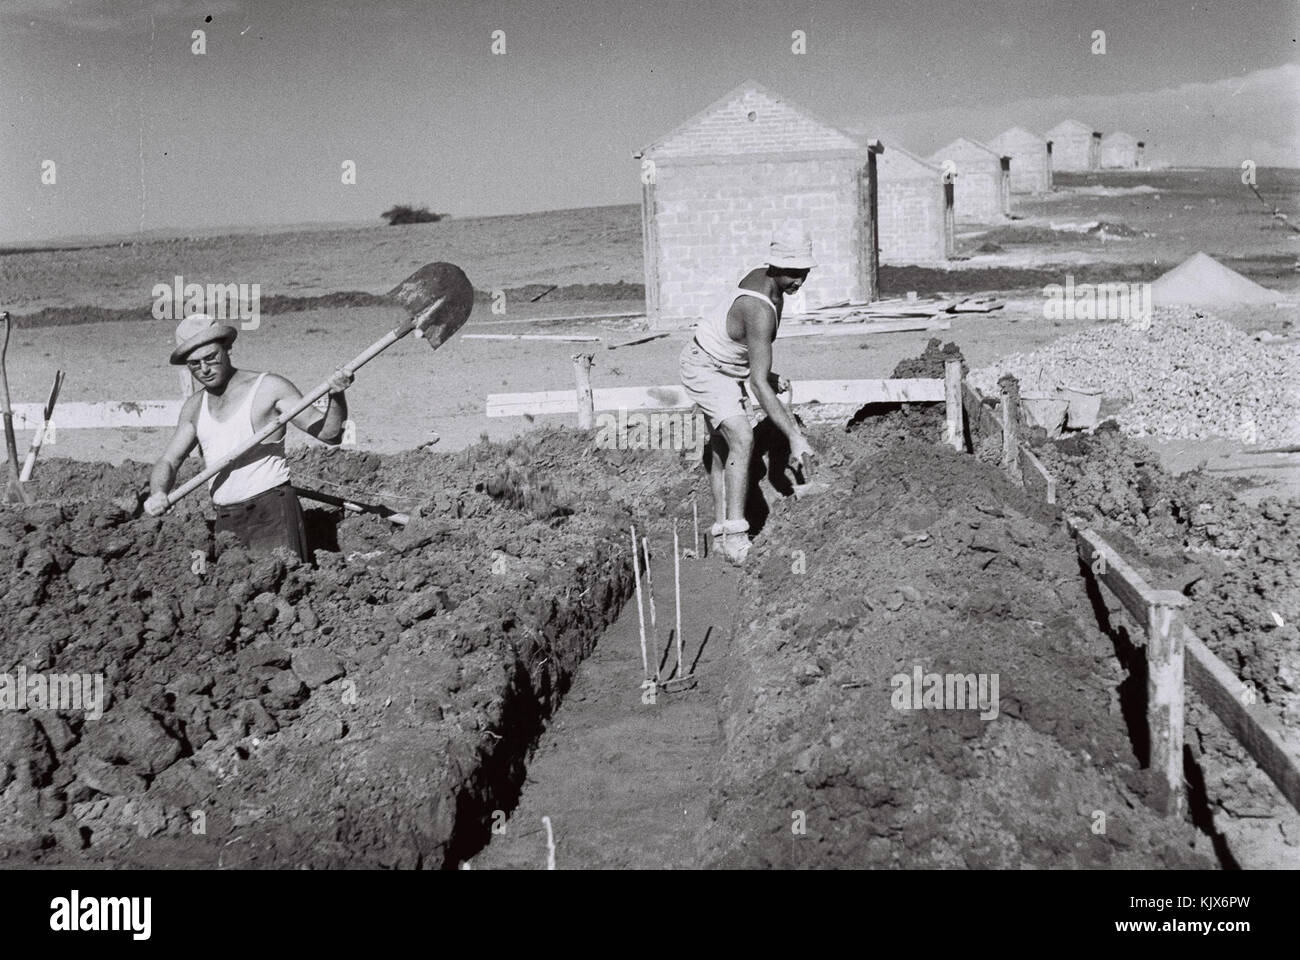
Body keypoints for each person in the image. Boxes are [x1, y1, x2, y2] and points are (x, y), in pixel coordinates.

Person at [144, 314, 353, 561]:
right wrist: (158, 491)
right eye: (195, 364)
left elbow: (330, 435)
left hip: (272, 512)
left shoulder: (268, 387)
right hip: (226, 518)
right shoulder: (194, 407)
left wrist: (337, 396)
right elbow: (169, 460)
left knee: (281, 588)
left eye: (211, 357)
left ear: (228, 347)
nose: (205, 369)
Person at [679, 221, 817, 565]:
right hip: (705, 366)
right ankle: (737, 536)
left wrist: (766, 373)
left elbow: (741, 343)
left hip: (724, 365)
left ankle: (722, 533)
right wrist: (795, 437)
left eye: (804, 271)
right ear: (775, 267)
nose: (798, 280)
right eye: (792, 273)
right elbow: (756, 384)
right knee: (741, 437)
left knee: (722, 447)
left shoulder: (772, 288)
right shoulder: (759, 306)